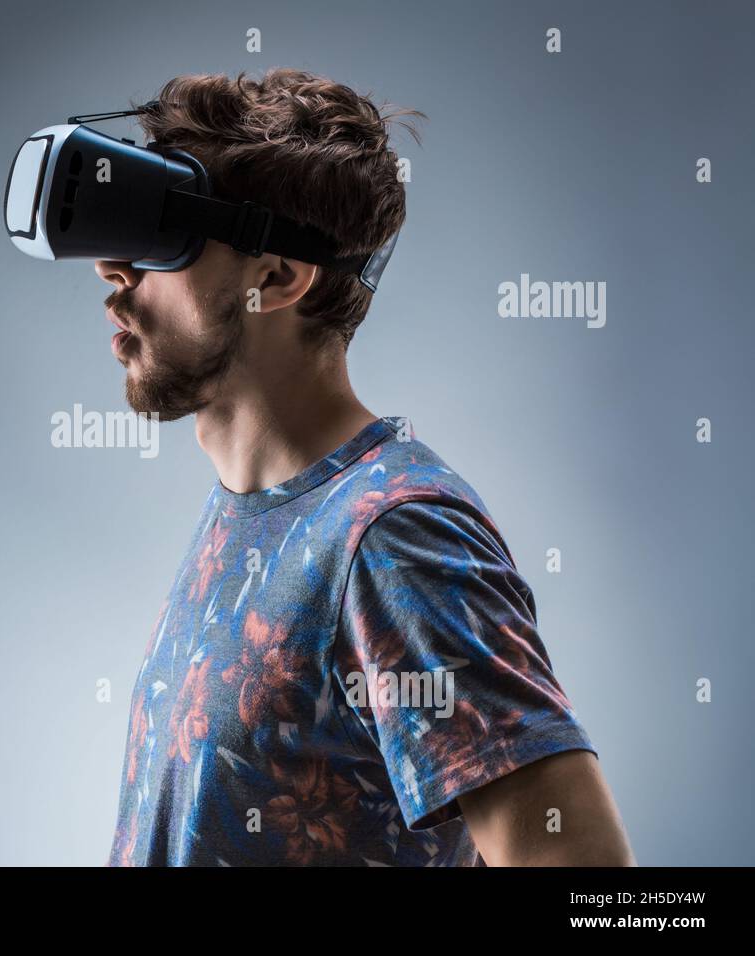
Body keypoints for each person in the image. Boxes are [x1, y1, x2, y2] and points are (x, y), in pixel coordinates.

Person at [100, 69, 633, 866]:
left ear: (276, 278)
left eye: (163, 238)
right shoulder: (255, 513)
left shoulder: (389, 536)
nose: (113, 271)